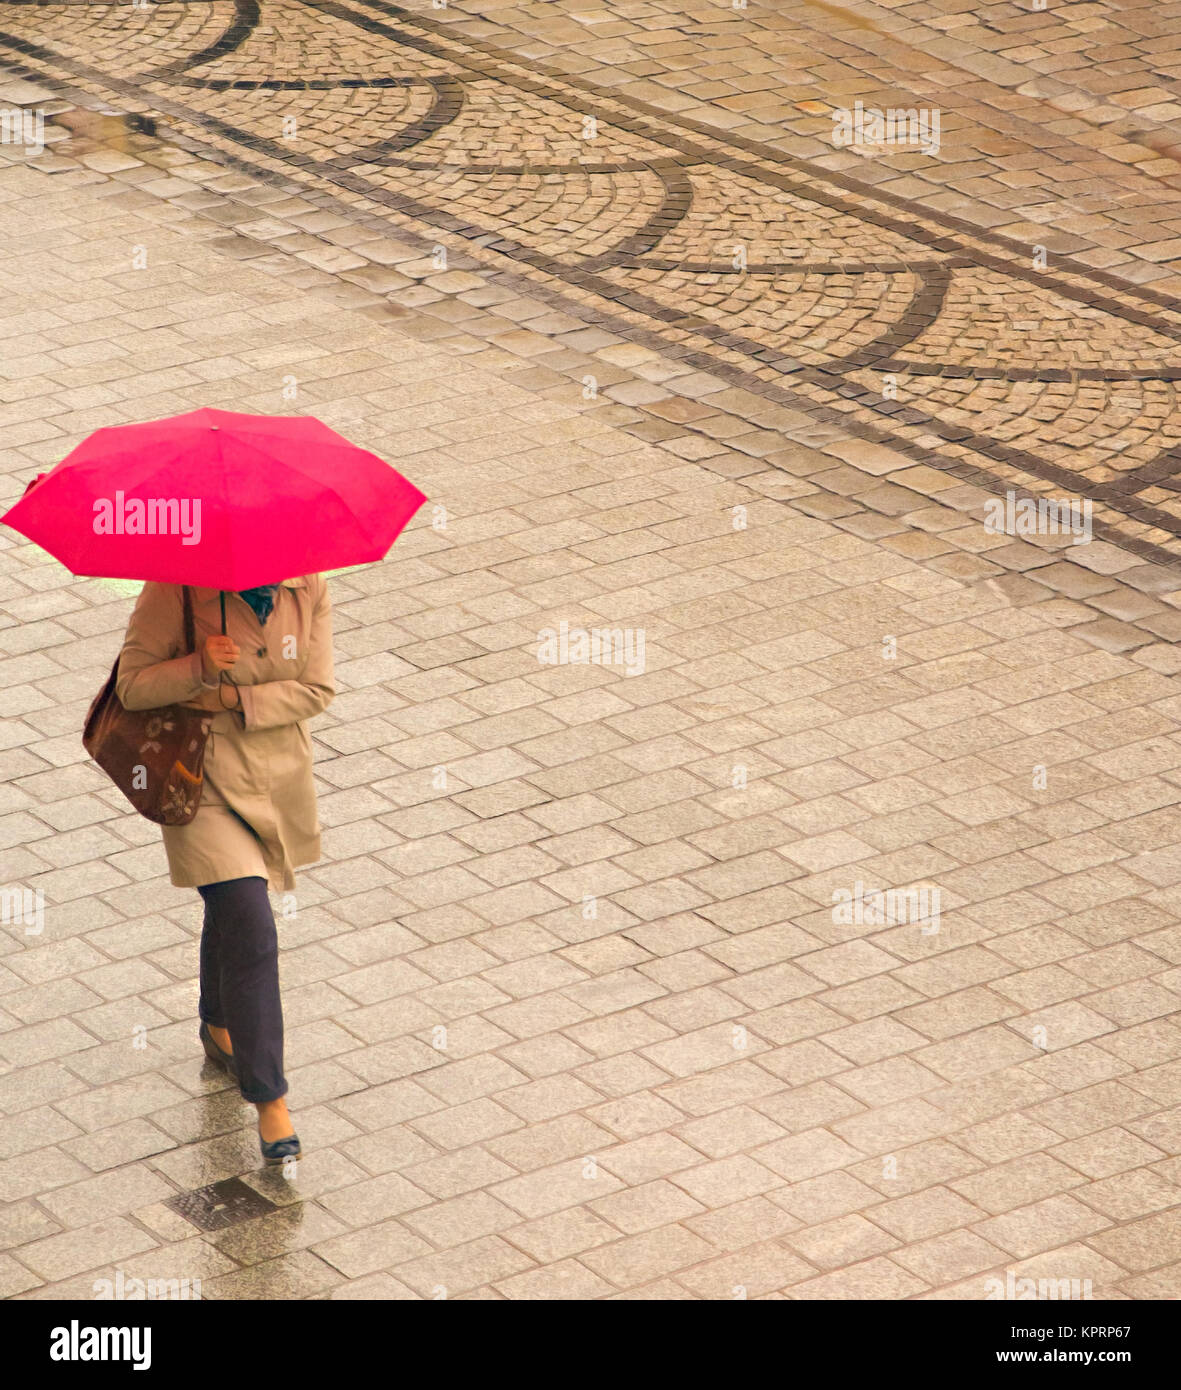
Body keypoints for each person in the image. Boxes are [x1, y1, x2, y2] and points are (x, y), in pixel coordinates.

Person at [115, 576, 335, 1164]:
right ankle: (271, 1100)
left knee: (234, 911)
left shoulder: (306, 584)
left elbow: (316, 689)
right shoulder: (175, 588)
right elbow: (131, 687)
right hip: (201, 781)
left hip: (275, 780)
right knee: (252, 925)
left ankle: (217, 1023)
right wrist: (195, 667)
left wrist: (235, 697)